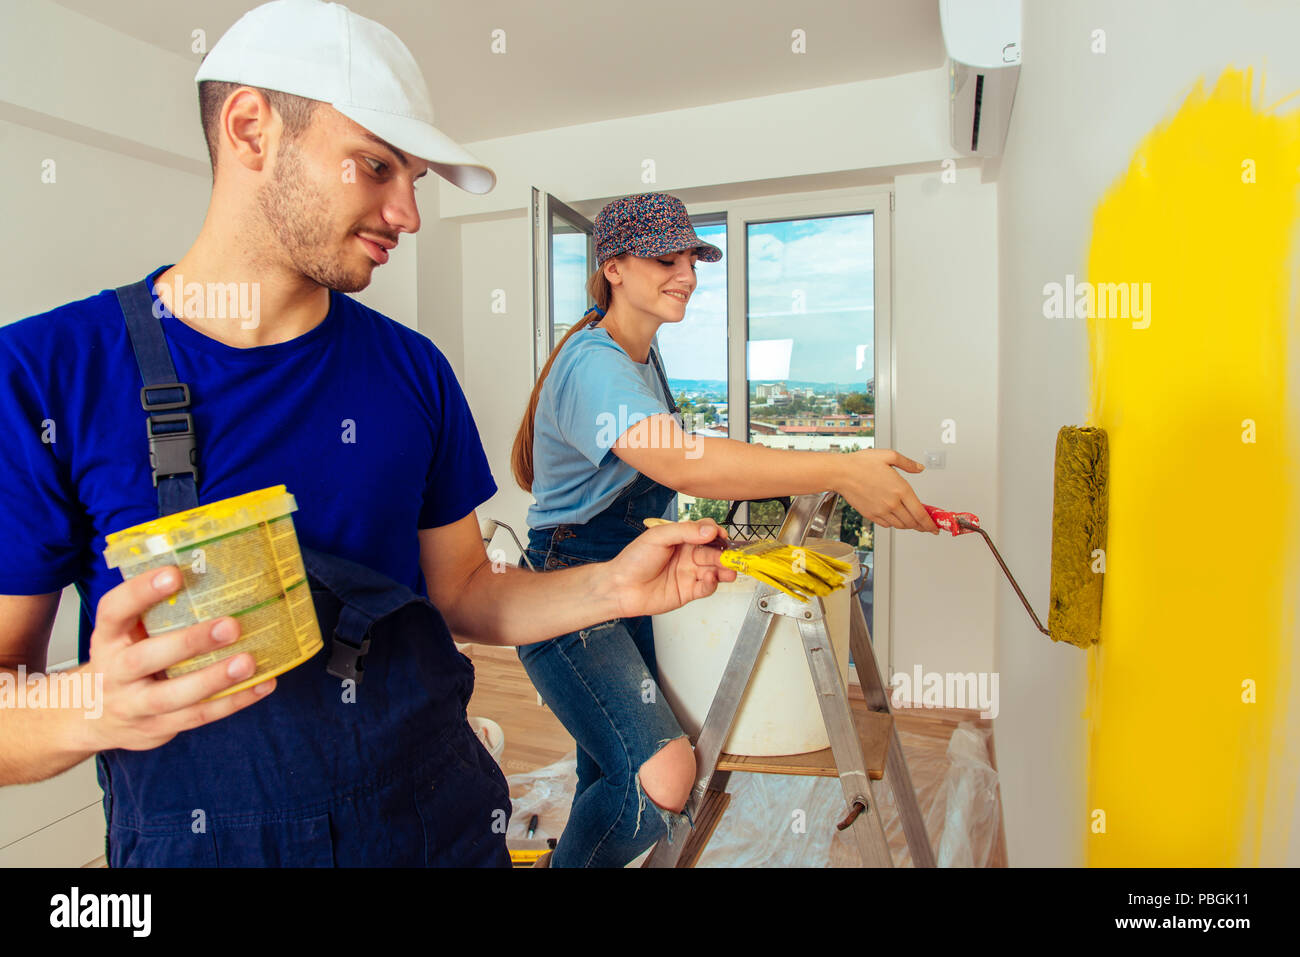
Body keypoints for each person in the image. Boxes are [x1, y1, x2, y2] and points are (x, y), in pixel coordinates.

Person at [0, 1, 735, 867]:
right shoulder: (45, 373)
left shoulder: (412, 371)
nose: (409, 213)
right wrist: (94, 704)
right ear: (250, 129)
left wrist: (614, 586)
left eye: (414, 178)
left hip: (439, 824)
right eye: (377, 166)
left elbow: (464, 589)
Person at [510, 191, 941, 867]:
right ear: (613, 267)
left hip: (632, 575)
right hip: (571, 586)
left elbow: (682, 453)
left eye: (692, 257)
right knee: (661, 780)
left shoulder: (640, 358)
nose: (687, 272)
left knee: (609, 771)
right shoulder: (595, 362)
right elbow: (682, 460)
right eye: (666, 257)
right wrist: (842, 468)